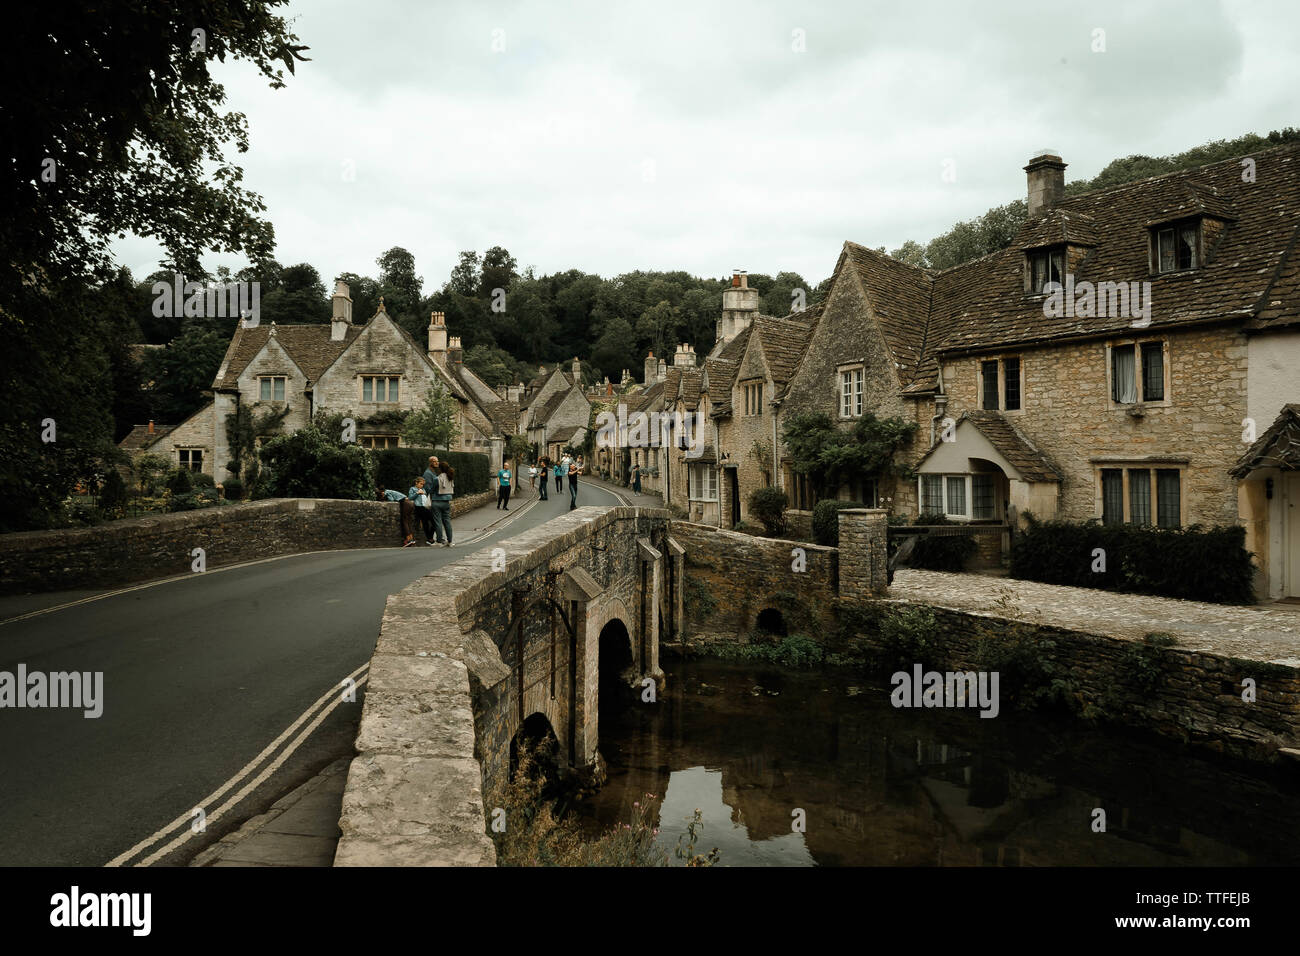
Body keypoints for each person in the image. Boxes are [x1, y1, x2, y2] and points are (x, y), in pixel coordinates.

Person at [431, 461, 455, 547]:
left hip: (437, 502)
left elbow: (432, 490)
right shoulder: (450, 477)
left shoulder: (437, 479)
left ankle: (439, 541)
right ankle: (450, 541)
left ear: (440, 469)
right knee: (447, 522)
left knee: (438, 522)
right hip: (446, 503)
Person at [409, 476, 436, 544]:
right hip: (419, 507)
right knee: (425, 523)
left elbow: (426, 497)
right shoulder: (412, 489)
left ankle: (430, 537)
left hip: (426, 507)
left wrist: (424, 494)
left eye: (423, 484)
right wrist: (417, 493)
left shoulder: (423, 489)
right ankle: (429, 539)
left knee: (434, 521)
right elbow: (410, 498)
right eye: (421, 484)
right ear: (416, 483)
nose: (422, 485)